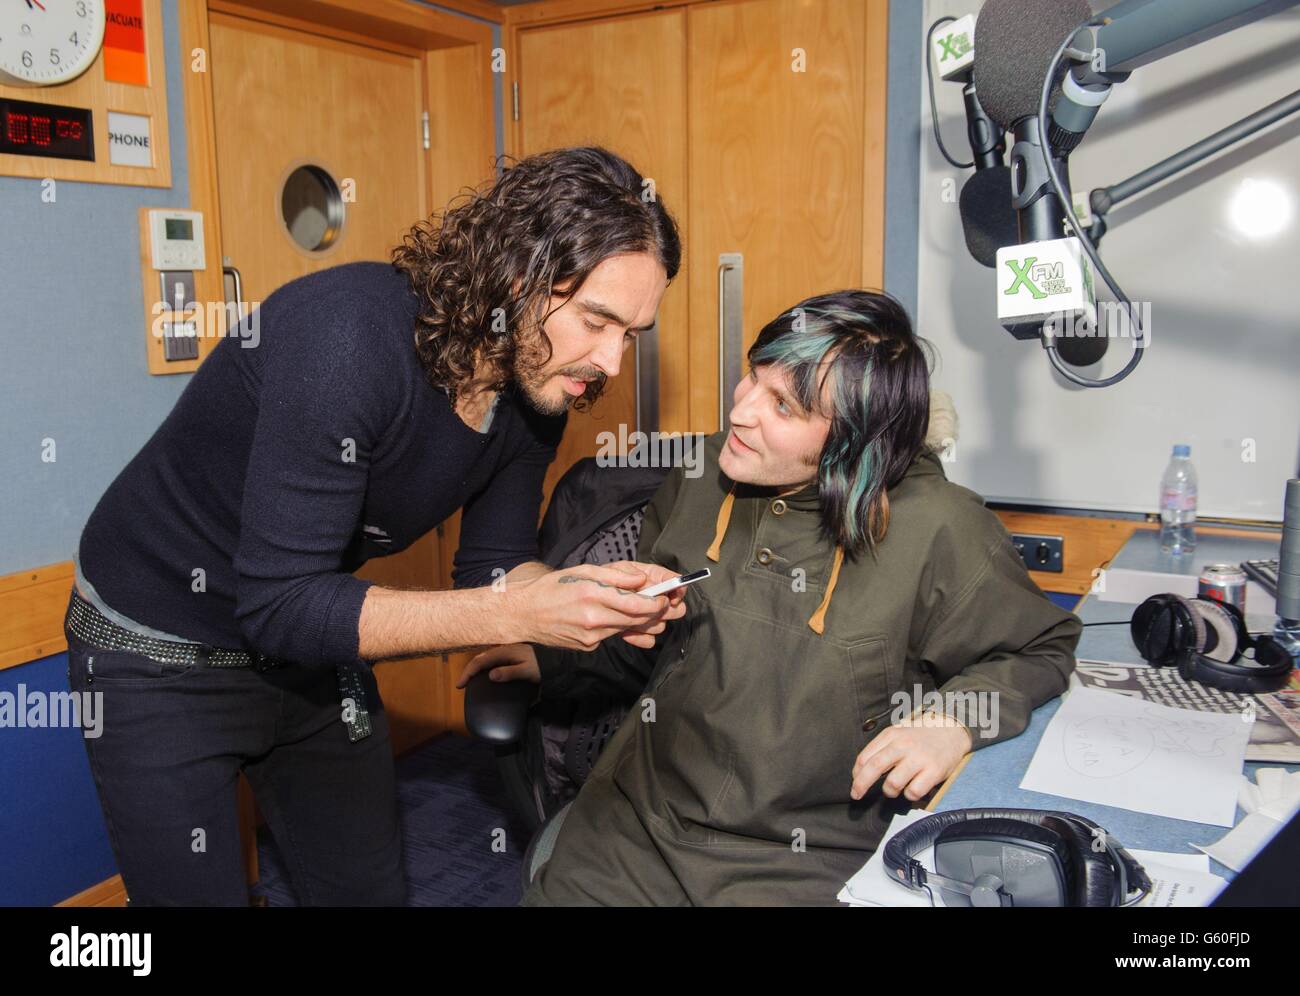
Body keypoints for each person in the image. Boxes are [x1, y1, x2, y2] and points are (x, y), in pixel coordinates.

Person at [64, 146, 686, 906]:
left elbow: (490, 565)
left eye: (633, 334)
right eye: (598, 320)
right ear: (517, 275)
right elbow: (279, 605)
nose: (612, 363)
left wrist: (578, 591)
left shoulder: (539, 383)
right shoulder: (346, 339)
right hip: (158, 638)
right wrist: (516, 611)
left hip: (304, 634)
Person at [459, 289, 1083, 906]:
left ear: (853, 441)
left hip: (806, 862)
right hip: (636, 828)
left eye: (782, 406)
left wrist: (953, 720)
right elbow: (658, 642)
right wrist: (561, 657)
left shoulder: (940, 527)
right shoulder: (702, 475)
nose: (742, 411)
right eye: (752, 379)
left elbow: (1039, 648)